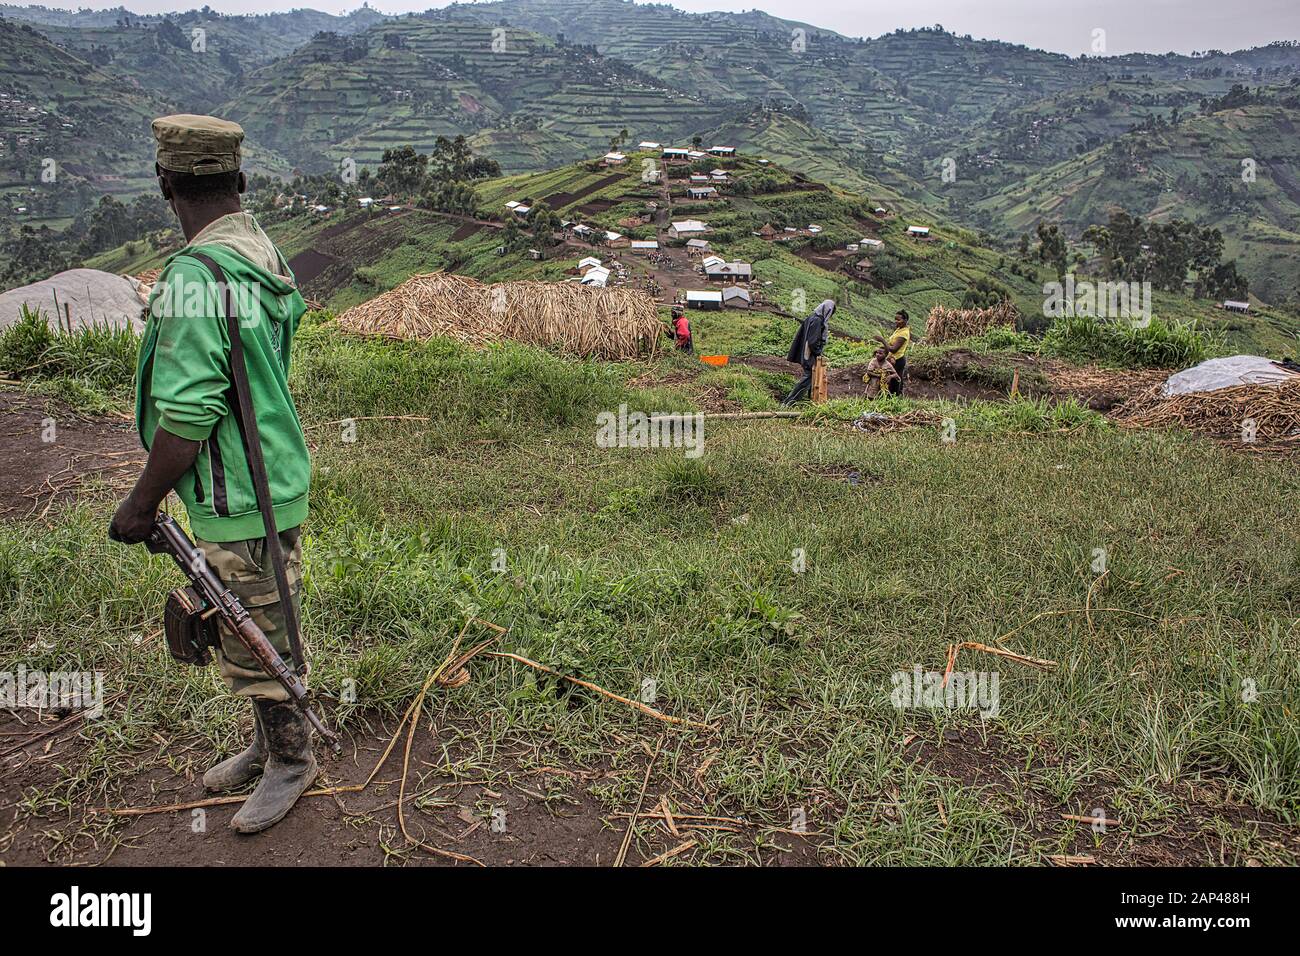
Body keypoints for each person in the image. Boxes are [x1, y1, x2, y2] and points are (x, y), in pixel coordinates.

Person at [108, 114, 316, 835]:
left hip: (237, 485)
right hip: (271, 470)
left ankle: (293, 760)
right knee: (258, 617)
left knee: (254, 628)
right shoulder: (255, 246)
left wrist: (141, 501)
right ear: (242, 182)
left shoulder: (198, 274)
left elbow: (191, 412)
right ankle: (268, 745)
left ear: (166, 184)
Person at [782, 299, 834, 405]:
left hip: (805, 353)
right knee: (807, 378)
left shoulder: (812, 317)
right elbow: (812, 341)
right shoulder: (818, 321)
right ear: (828, 310)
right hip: (809, 354)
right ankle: (789, 402)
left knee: (812, 379)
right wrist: (818, 351)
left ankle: (809, 401)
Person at [883, 309, 911, 395]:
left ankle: (894, 398)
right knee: (897, 379)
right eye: (895, 319)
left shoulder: (904, 333)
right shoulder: (899, 329)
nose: (896, 321)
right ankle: (896, 397)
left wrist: (882, 340)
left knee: (894, 381)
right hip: (893, 358)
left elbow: (894, 349)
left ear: (905, 320)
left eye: (898, 319)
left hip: (898, 360)